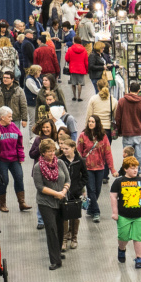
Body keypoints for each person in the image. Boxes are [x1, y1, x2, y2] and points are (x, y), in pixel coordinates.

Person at [32, 138, 70, 270]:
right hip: (45, 203)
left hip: (61, 200)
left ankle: (58, 251)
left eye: (53, 150)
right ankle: (55, 260)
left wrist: (64, 191)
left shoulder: (60, 163)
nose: (52, 153)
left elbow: (68, 179)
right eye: (49, 151)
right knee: (51, 230)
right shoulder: (38, 167)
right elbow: (39, 187)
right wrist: (56, 193)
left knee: (60, 228)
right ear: (42, 153)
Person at [111, 157, 141, 268]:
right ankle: (121, 249)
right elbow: (113, 197)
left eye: (137, 168)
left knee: (138, 237)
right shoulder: (118, 182)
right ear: (125, 169)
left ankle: (139, 258)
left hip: (140, 215)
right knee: (123, 236)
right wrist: (115, 213)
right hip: (123, 216)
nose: (135, 170)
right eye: (132, 168)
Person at [0, 106, 32, 212]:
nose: (11, 118)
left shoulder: (13, 126)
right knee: (4, 180)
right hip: (1, 159)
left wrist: (21, 156)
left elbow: (19, 142)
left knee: (19, 177)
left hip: (14, 159)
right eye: (9, 116)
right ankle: (2, 204)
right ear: (2, 117)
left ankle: (22, 202)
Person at [78, 115, 116, 223]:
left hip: (100, 167)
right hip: (88, 168)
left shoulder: (103, 136)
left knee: (98, 190)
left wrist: (112, 169)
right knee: (91, 190)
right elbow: (79, 152)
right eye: (89, 121)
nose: (90, 123)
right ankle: (96, 212)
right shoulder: (83, 135)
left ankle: (90, 207)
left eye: (93, 122)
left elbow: (108, 153)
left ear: (97, 123)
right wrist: (79, 167)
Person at [58, 139, 87, 251]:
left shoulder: (80, 161)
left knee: (75, 216)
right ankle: (64, 240)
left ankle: (74, 238)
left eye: (67, 149)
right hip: (63, 192)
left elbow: (85, 176)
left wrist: (78, 187)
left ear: (73, 148)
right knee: (64, 216)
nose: (64, 151)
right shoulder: (60, 160)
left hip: (76, 192)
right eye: (63, 149)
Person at [114, 81, 141, 164]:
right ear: (138, 91)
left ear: (129, 89)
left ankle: (128, 171)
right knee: (139, 155)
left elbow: (117, 118)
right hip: (139, 133)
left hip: (127, 133)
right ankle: (137, 171)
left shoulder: (122, 101)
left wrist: (119, 131)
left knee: (127, 156)